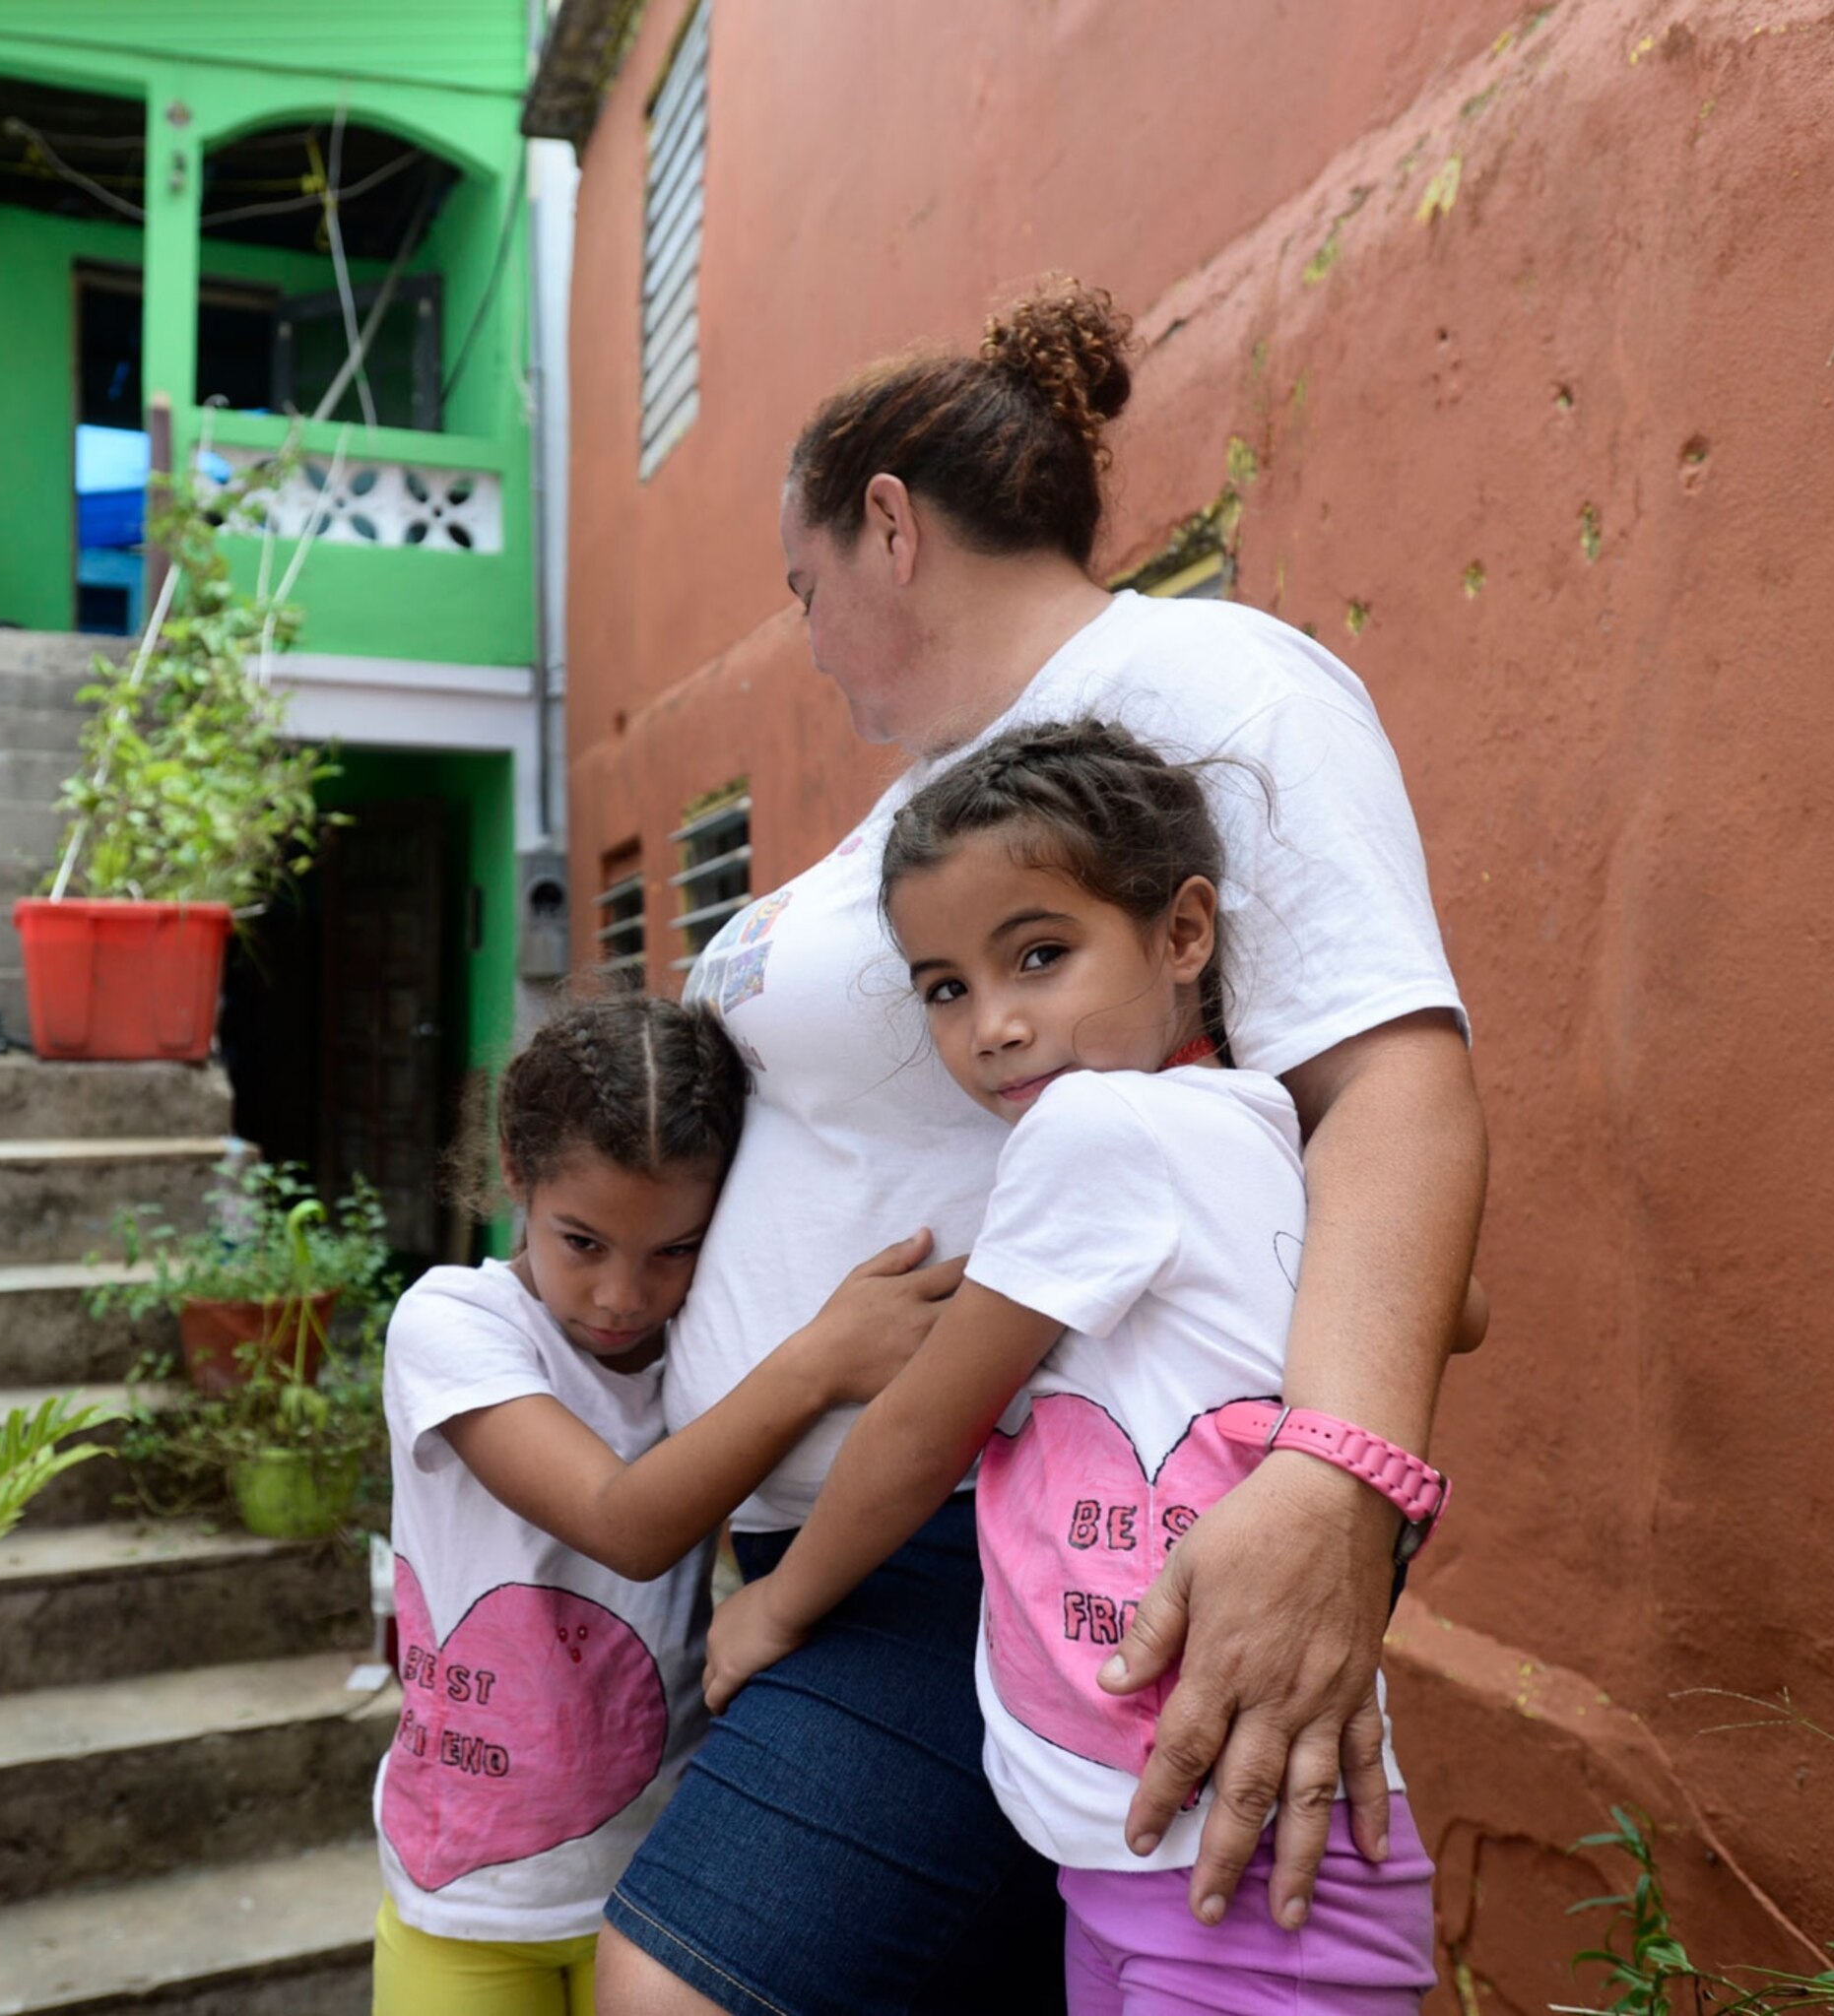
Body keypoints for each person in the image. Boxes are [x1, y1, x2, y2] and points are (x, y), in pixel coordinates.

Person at [597, 281, 1486, 2016]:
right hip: (819, 1534)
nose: (806, 640)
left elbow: (1389, 1082)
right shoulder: (937, 793)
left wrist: (1340, 1480)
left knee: (672, 1994)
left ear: (885, 524)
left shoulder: (1202, 675)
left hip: (990, 1526)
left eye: (802, 593)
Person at [701, 718, 1442, 2014]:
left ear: (1182, 934)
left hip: (1234, 1881)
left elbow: (924, 1424)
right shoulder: (1269, 1126)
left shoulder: (1095, 1129)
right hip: (1162, 1858)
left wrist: (776, 1601)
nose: (992, 1024)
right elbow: (1464, 1305)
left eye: (1039, 955)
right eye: (944, 985)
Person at [371, 994, 965, 2016]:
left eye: (673, 1251)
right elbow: (626, 1522)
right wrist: (818, 1360)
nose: (621, 1295)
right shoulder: (456, 1325)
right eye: (582, 1241)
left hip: (653, 1875)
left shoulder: (702, 1356)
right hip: (466, 1896)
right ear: (516, 1175)